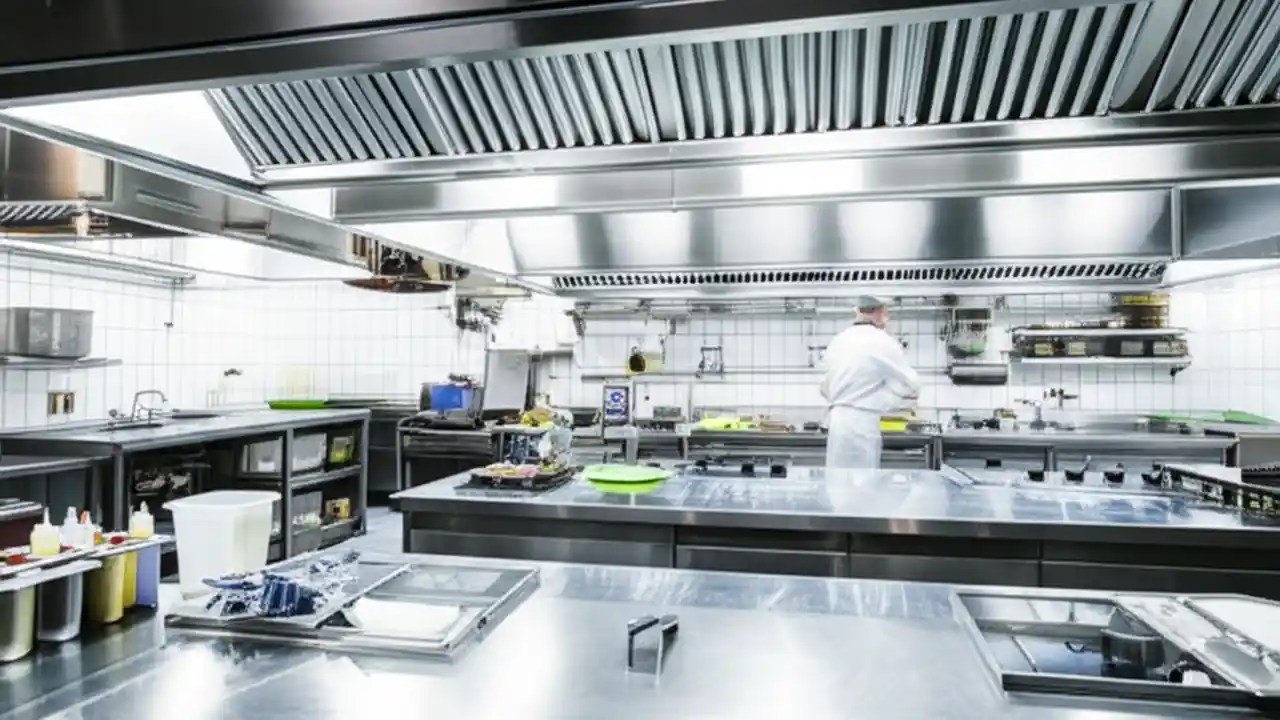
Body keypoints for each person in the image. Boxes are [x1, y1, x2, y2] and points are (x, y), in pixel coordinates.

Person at [820, 295, 921, 468]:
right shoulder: (883, 341)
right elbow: (911, 385)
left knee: (838, 483)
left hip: (837, 423)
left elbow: (824, 388)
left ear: (858, 311)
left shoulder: (838, 341)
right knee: (863, 484)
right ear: (879, 312)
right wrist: (883, 402)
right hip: (863, 422)